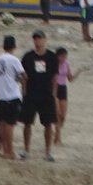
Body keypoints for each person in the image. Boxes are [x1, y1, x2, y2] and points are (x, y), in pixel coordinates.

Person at [21, 30, 59, 161]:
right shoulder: (28, 57)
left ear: (44, 40)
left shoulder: (51, 57)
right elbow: (23, 76)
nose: (37, 41)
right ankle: (26, 150)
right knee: (27, 123)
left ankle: (48, 152)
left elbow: (55, 76)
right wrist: (24, 92)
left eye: (39, 38)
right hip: (31, 94)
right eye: (35, 39)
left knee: (48, 124)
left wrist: (54, 94)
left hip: (46, 94)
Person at [0, 35, 24, 160]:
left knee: (2, 124)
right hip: (12, 95)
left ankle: (5, 150)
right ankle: (10, 151)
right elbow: (23, 76)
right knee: (10, 125)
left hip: (1, 96)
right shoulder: (14, 60)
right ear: (14, 46)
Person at [53, 46, 76, 144]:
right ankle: (58, 137)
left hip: (63, 88)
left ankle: (57, 132)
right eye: (62, 56)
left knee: (63, 116)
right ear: (57, 56)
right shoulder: (53, 64)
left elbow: (70, 79)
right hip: (54, 88)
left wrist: (78, 72)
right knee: (57, 113)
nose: (63, 59)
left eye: (65, 57)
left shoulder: (66, 64)